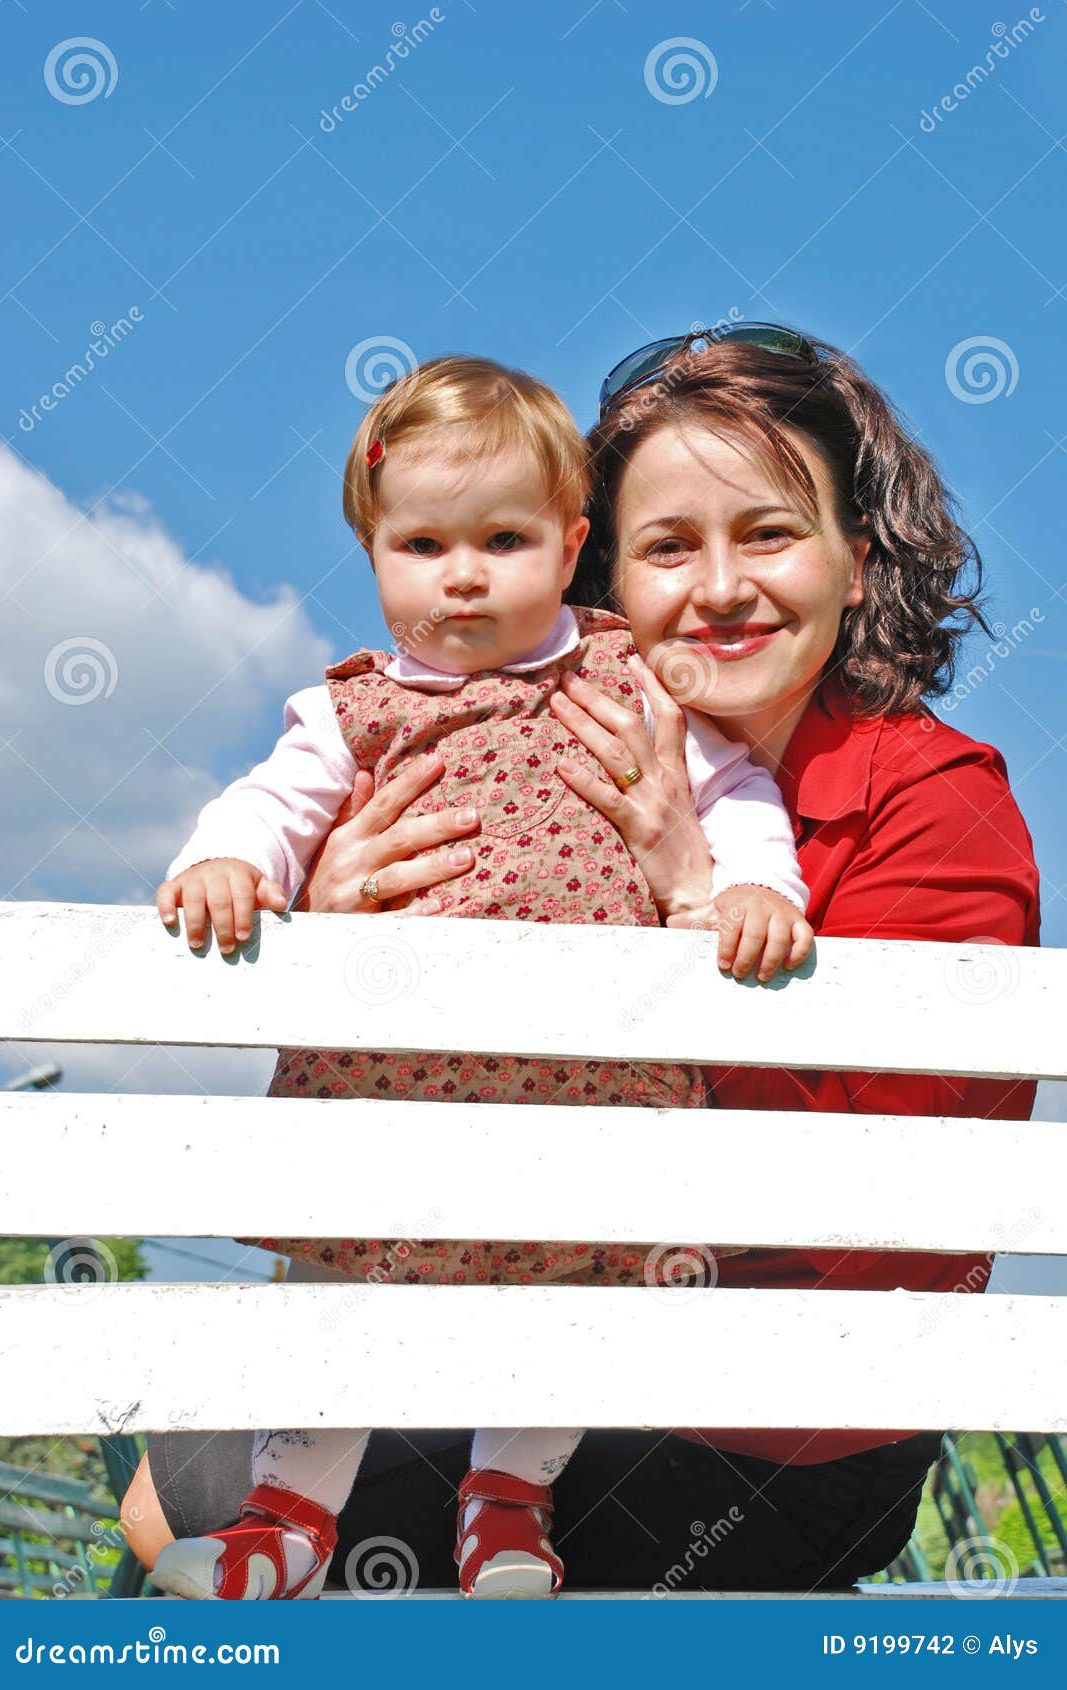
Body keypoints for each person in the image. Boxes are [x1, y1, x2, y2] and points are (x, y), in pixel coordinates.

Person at [128, 324, 1040, 1594]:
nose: (721, 587)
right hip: (537, 1311)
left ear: (856, 559)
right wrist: (331, 921)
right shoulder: (550, 736)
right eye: (669, 547)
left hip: (765, 1421)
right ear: (605, 569)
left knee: (186, 1493)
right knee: (188, 1469)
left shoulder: (931, 804)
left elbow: (872, 1195)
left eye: (770, 533)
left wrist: (687, 894)